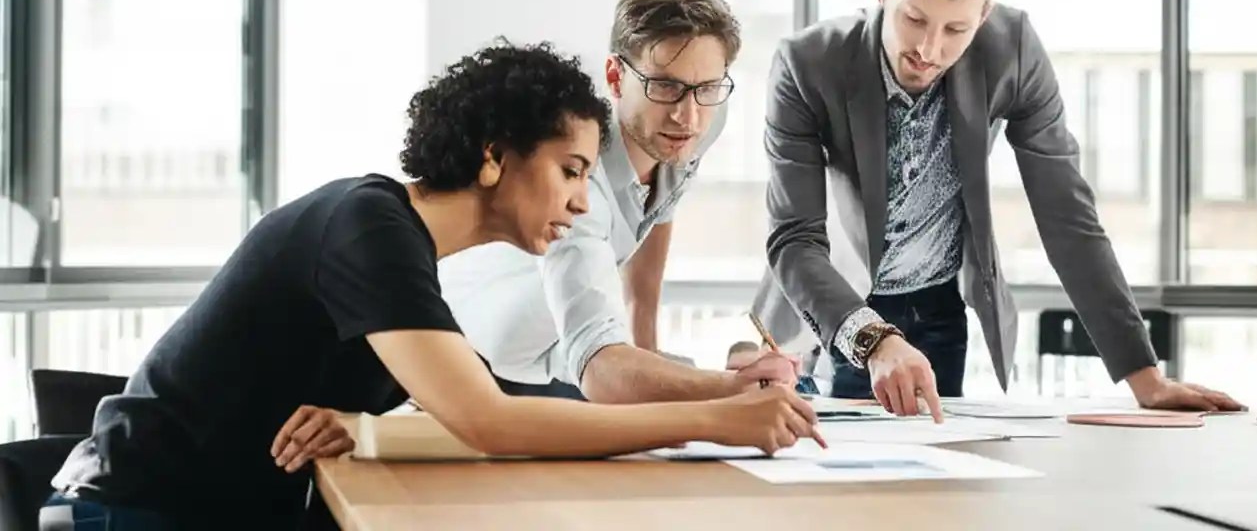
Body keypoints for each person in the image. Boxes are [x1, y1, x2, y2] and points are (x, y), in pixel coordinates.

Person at [43, 42, 820, 530]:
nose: (584, 202)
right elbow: (493, 424)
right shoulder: (366, 227)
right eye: (571, 171)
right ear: (493, 157)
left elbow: (503, 407)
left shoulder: (406, 260)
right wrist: (715, 420)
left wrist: (366, 426)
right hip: (133, 510)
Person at [753, 0, 1244, 420]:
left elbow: (1067, 217)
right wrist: (872, 338)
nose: (928, 49)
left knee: (938, 475)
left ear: (983, 16)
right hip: (838, 306)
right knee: (841, 475)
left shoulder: (1013, 50)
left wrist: (1145, 377)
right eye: (914, 19)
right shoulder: (808, 63)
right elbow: (794, 237)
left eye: (955, 29)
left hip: (939, 305)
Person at [439, 0, 799, 402]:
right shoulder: (578, 187)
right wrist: (735, 390)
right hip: (488, 366)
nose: (688, 118)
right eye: (665, 86)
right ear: (615, 77)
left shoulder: (703, 117)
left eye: (706, 89)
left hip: (577, 354)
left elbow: (661, 206)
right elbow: (599, 366)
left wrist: (645, 344)